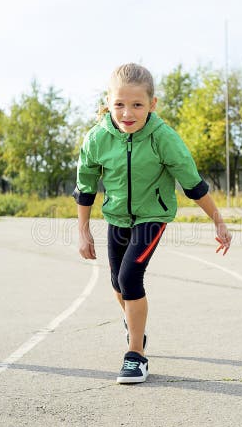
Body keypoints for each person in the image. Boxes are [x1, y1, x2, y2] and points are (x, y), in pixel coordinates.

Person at [75, 62, 232, 384]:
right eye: (119, 104)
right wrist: (83, 231)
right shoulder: (96, 140)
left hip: (152, 216)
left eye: (137, 105)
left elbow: (193, 184)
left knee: (131, 278)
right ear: (108, 102)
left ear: (152, 104)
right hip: (117, 216)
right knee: (117, 283)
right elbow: (86, 187)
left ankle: (136, 355)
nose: (127, 113)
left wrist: (219, 223)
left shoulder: (163, 138)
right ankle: (135, 327)